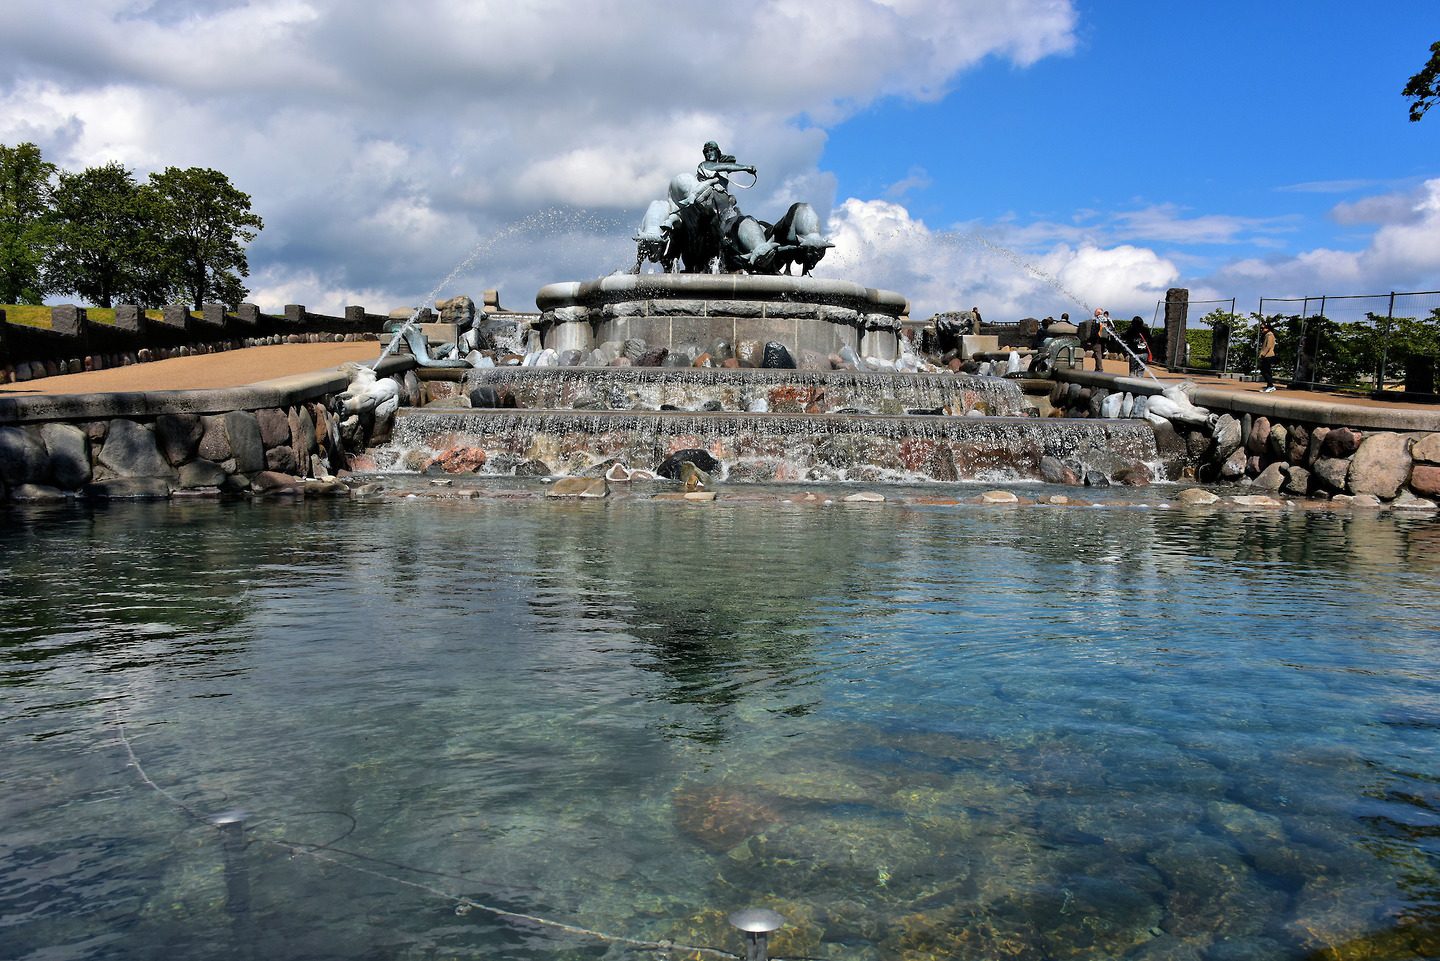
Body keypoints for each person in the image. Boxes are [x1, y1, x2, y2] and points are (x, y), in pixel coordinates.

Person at [1087, 308, 1109, 372]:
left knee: (1097, 354)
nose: (1094, 313)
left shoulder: (1097, 319)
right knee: (1098, 354)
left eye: (1095, 312)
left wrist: (1090, 339)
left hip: (1097, 339)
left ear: (1098, 313)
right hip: (1103, 339)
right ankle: (1097, 368)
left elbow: (1095, 330)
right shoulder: (1105, 319)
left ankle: (1099, 369)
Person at [1258, 319, 1277, 392]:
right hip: (1267, 355)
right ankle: (1269, 386)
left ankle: (1271, 386)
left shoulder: (1269, 335)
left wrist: (1263, 354)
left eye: (1262, 328)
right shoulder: (1267, 335)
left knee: (1264, 371)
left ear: (1267, 328)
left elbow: (1268, 346)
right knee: (1266, 371)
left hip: (1268, 355)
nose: (1261, 330)